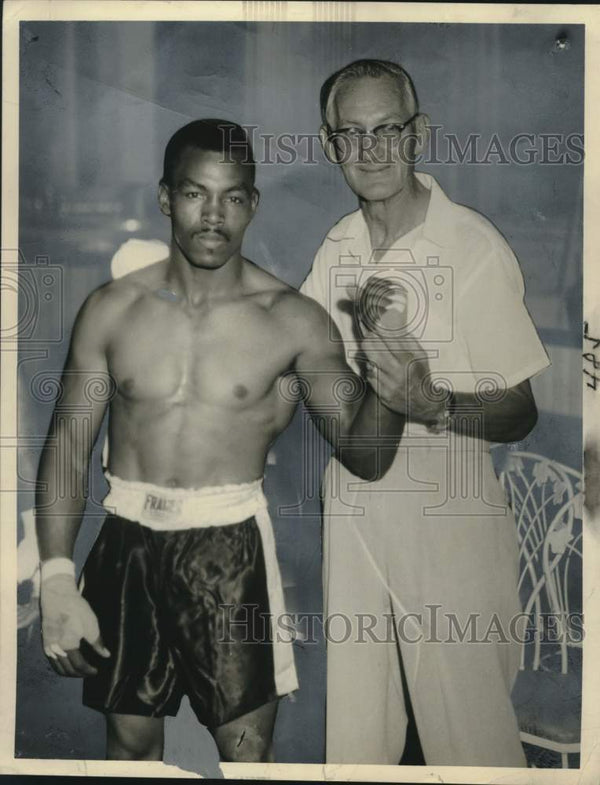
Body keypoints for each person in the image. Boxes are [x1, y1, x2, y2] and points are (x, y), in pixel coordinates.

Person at [35, 119, 412, 763]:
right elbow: (69, 449)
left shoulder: (291, 320)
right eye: (194, 194)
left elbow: (367, 454)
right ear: (165, 198)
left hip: (229, 548)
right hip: (126, 540)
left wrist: (393, 384)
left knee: (245, 752)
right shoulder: (111, 309)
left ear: (252, 204)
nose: (214, 215)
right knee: (127, 750)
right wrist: (56, 579)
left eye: (233, 197)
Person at [299, 59, 551, 766]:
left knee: (471, 741)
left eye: (388, 130)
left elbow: (521, 409)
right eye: (352, 134)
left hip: (451, 519)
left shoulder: (471, 247)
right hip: (353, 512)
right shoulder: (337, 246)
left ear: (419, 135)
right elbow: (308, 360)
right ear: (330, 146)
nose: (371, 151)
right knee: (356, 737)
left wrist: (434, 403)